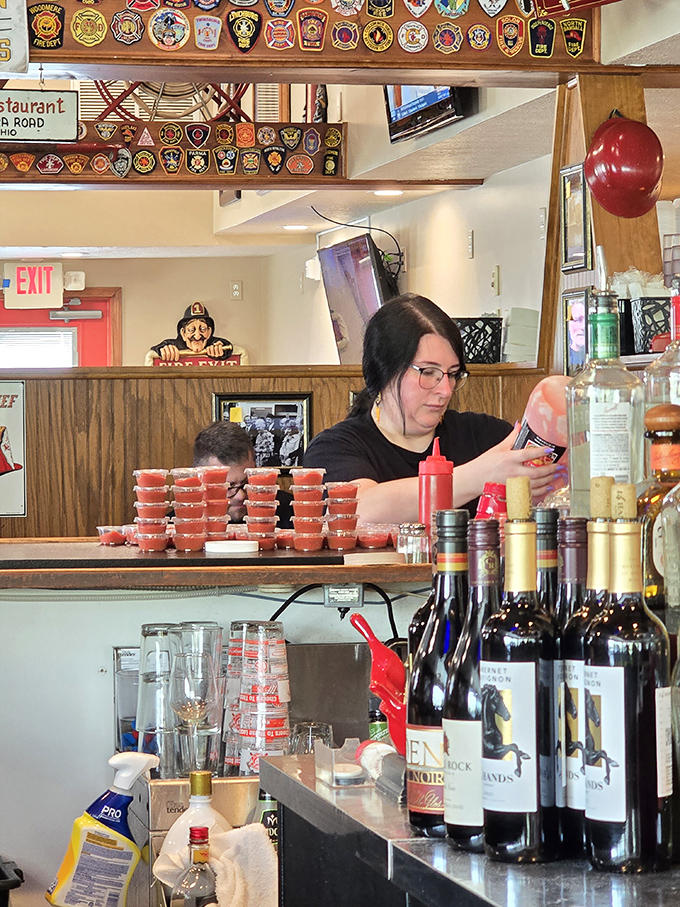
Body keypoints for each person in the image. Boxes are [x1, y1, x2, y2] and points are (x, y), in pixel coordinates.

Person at [302, 293, 556, 523]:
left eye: (453, 374)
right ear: (384, 371)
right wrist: (481, 475)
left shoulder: (482, 434)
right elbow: (359, 511)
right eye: (429, 372)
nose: (445, 390)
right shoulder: (336, 447)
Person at [193, 420, 292, 527]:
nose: (240, 496)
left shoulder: (290, 511)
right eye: (228, 488)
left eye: (247, 483)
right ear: (201, 481)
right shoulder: (181, 523)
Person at [145, 302, 249, 365]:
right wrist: (162, 350)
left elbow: (229, 348)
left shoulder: (216, 345)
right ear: (183, 333)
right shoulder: (173, 345)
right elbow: (153, 353)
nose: (198, 336)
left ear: (209, 332)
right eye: (191, 330)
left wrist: (222, 350)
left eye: (202, 329)